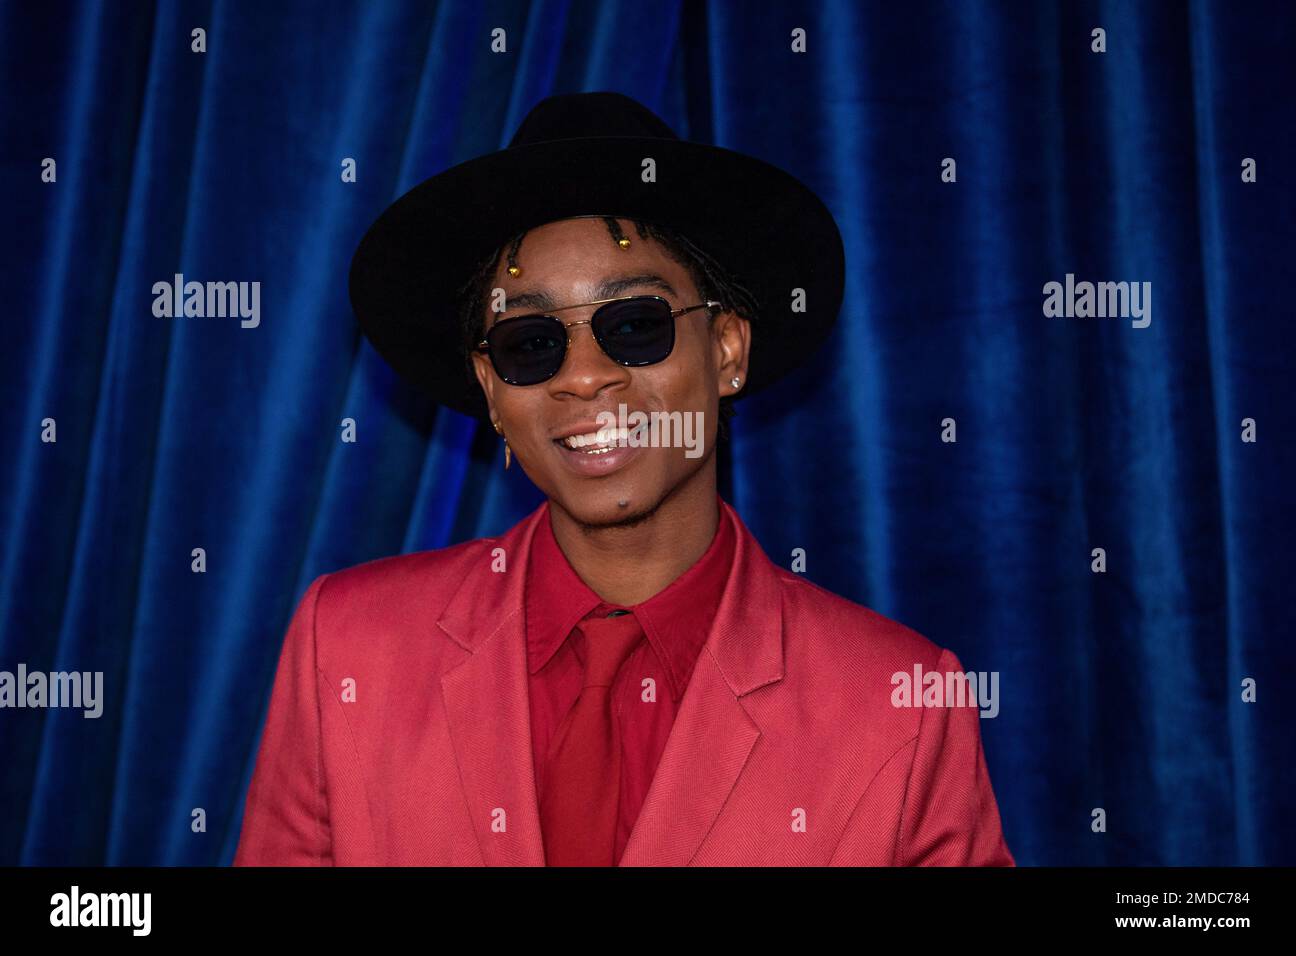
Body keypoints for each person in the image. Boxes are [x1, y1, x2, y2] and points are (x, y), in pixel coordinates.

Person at [233, 92, 1014, 866]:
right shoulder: (346, 649)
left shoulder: (899, 705)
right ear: (491, 390)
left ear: (729, 350)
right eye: (531, 343)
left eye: (635, 325)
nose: (584, 378)